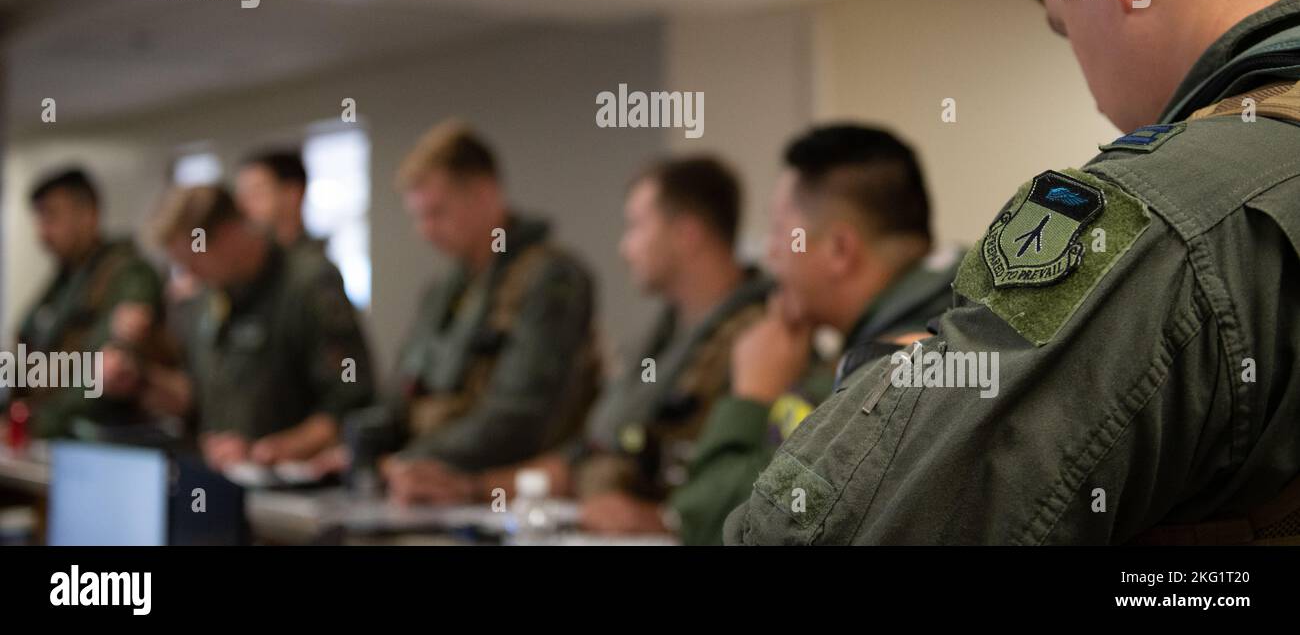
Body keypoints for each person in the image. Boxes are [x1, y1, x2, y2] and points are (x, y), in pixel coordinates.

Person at [726, 0, 1300, 545]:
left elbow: (803, 534)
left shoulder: (1164, 217)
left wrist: (897, 386)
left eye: (1066, 29)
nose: (1099, 101)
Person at [386, 154, 768, 540]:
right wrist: (470, 488)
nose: (624, 247)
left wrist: (667, 519)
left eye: (636, 226)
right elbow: (583, 459)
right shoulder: (659, 341)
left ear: (687, 233)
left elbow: (763, 491)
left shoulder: (762, 341)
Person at [672, 125, 960, 545]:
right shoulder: (957, 318)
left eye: (778, 232)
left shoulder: (882, 368)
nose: (770, 253)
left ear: (839, 250)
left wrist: (751, 397)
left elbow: (716, 526)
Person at [372, 121, 600, 491]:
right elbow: (402, 393)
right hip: (430, 487)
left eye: (437, 213)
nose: (425, 230)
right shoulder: (444, 291)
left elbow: (521, 413)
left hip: (513, 494)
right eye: (418, 217)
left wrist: (411, 460)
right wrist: (365, 450)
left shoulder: (550, 278)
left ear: (483, 193)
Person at [151, 185, 373, 468]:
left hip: (296, 489)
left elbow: (351, 399)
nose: (191, 274)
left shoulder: (309, 285)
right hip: (221, 481)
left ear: (230, 233)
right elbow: (203, 393)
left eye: (195, 258)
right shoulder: (208, 299)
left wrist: (274, 450)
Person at [10, 168, 171, 438]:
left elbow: (106, 370)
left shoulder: (126, 274)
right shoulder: (62, 282)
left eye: (51, 217)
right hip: (44, 438)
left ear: (88, 215)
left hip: (97, 439)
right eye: (38, 219)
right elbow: (27, 354)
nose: (42, 233)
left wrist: (38, 424)